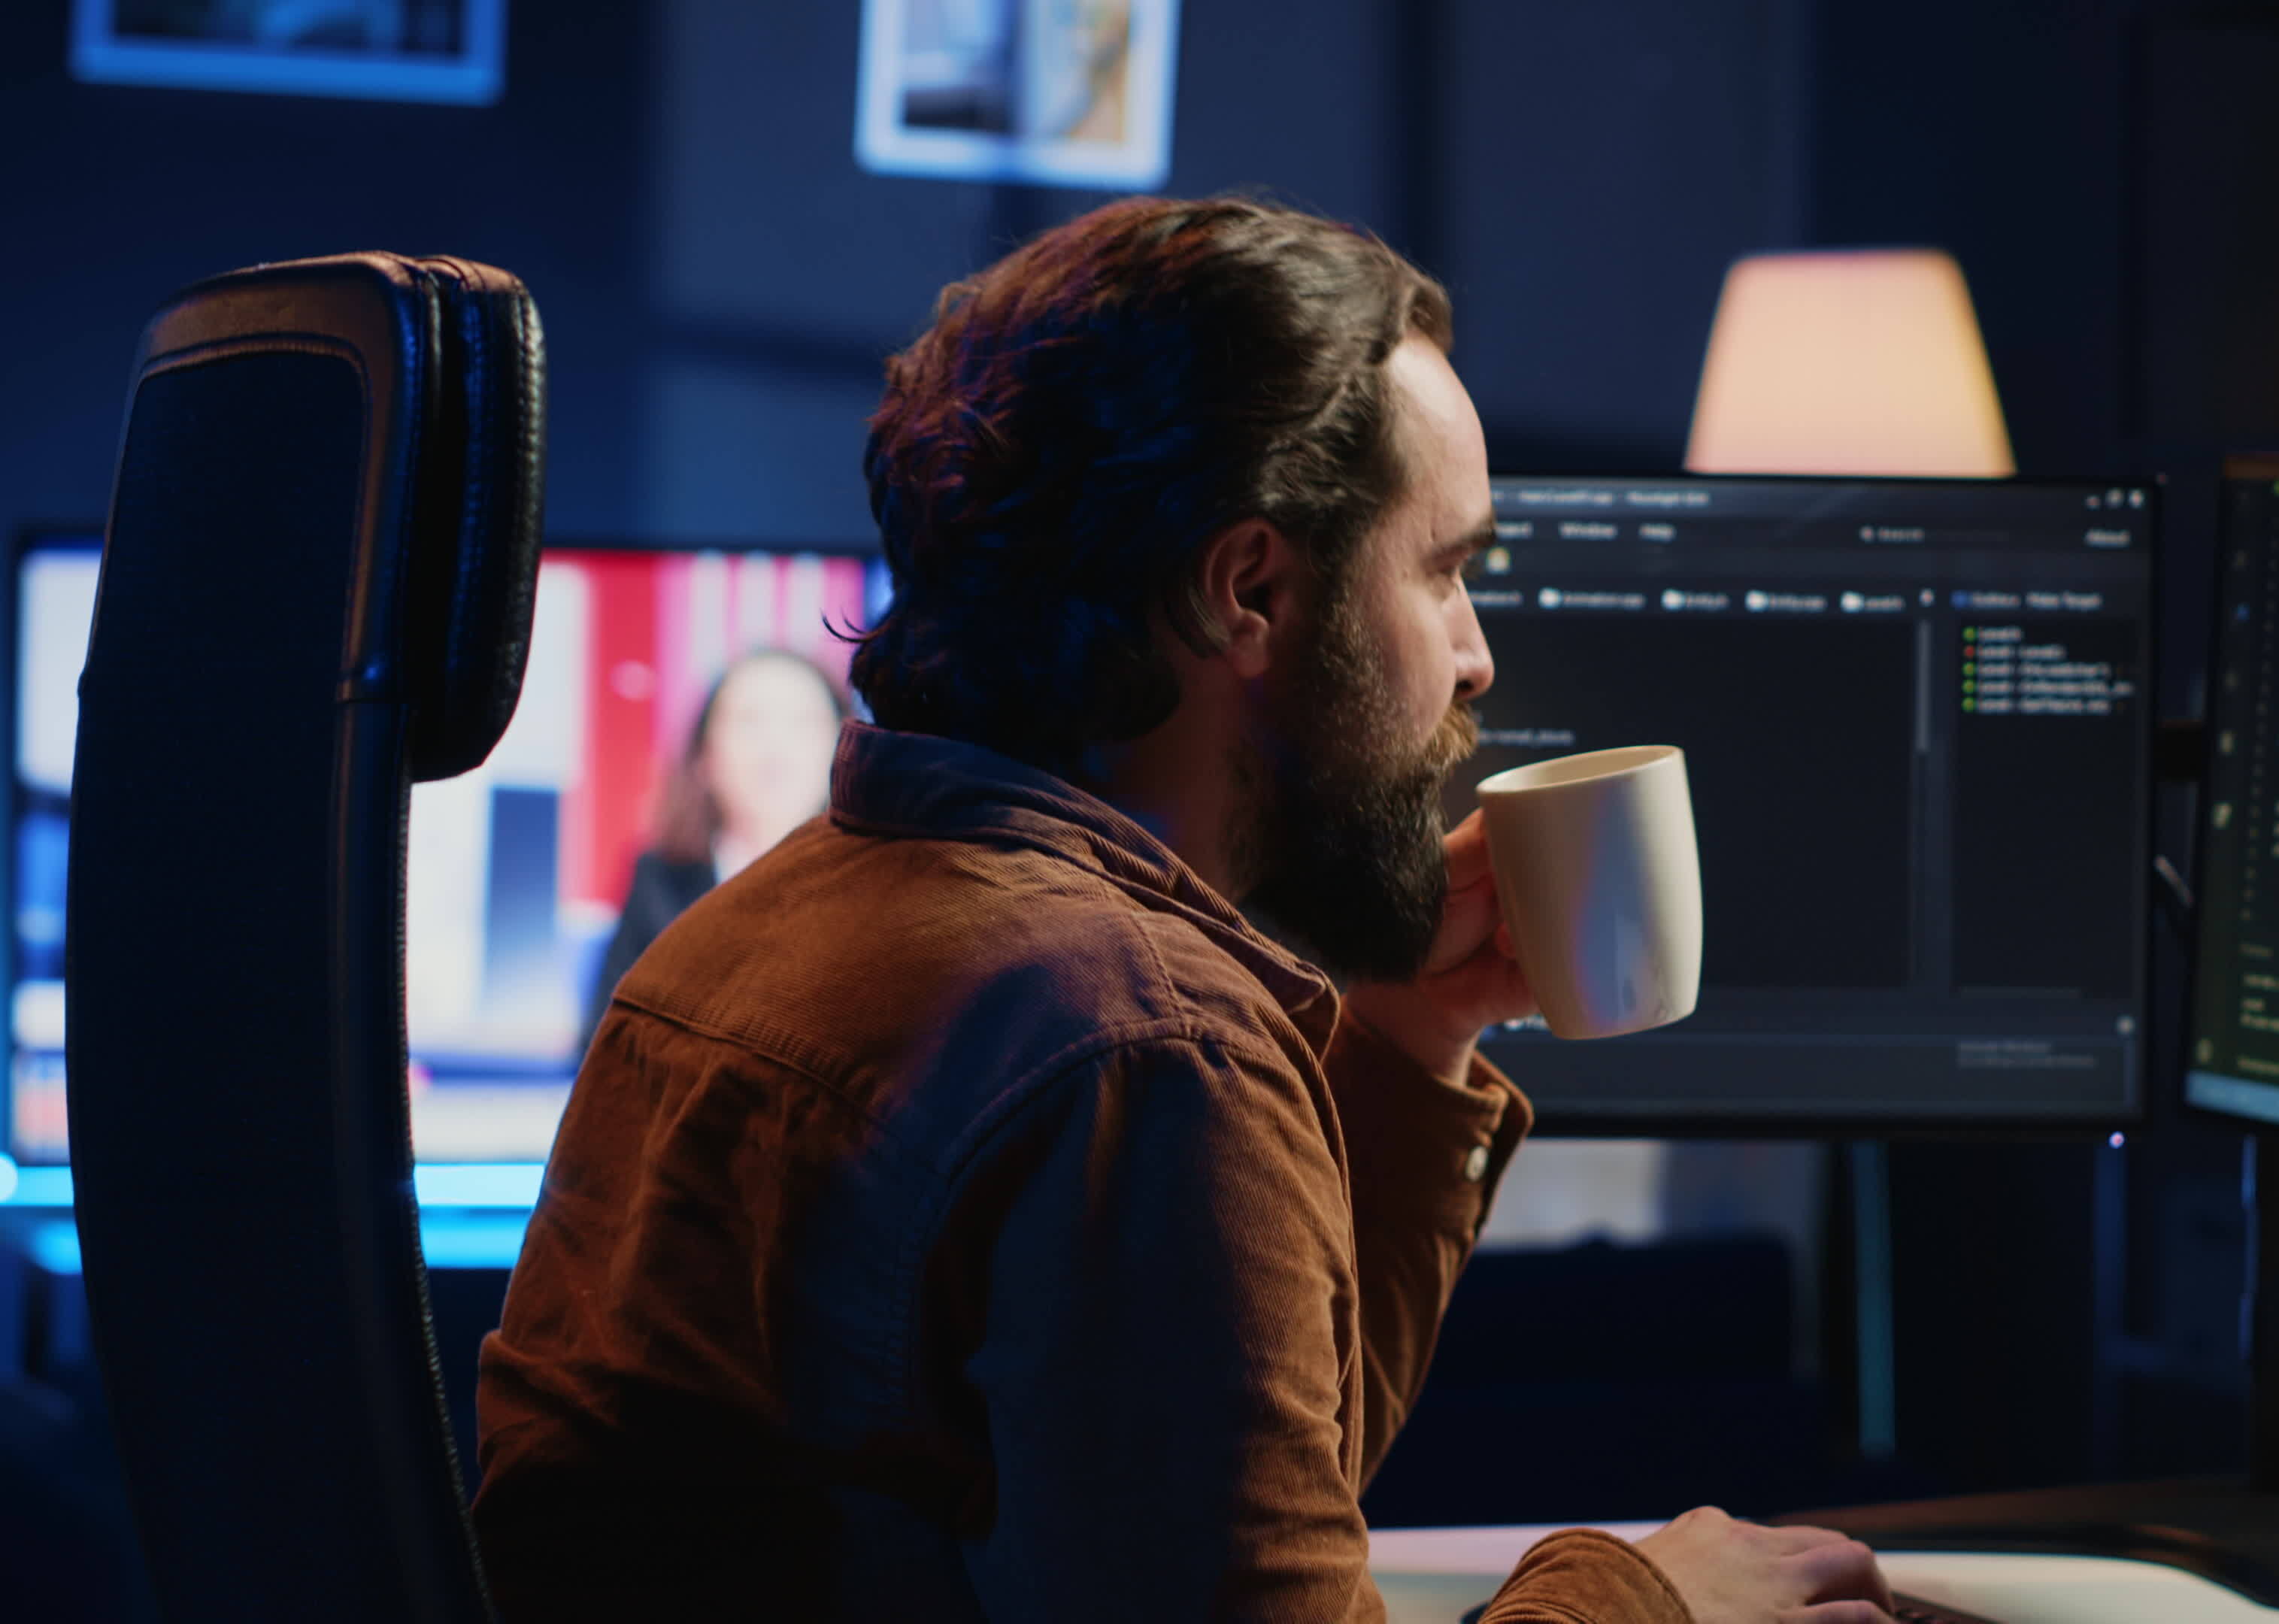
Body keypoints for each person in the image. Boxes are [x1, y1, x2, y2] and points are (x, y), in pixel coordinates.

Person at [474, 196, 1895, 1623]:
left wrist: (1405, 1043)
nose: (1476, 657)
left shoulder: (763, 924)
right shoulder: (1144, 1048)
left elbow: (1226, 1528)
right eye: (1447, 571)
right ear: (1251, 590)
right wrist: (1649, 1602)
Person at [579, 647, 851, 1055]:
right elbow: (602, 1048)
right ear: (705, 756)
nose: (775, 749)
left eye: (803, 723)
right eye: (749, 721)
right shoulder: (659, 881)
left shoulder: (874, 889)